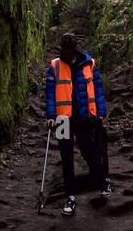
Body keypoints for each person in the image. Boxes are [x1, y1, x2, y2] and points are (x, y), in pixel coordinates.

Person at [44, 32, 111, 216]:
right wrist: (51, 115)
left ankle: (103, 179)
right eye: (64, 50)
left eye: (70, 49)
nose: (67, 53)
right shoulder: (55, 66)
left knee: (88, 151)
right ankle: (70, 197)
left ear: (75, 48)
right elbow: (50, 93)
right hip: (63, 120)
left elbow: (97, 89)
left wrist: (101, 112)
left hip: (84, 118)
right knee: (66, 157)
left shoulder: (89, 64)